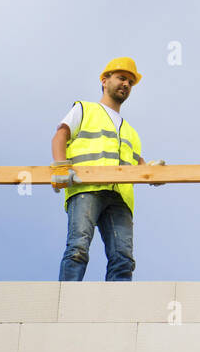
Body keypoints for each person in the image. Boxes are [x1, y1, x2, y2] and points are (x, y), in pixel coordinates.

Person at [49, 57, 160, 281]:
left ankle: (117, 308)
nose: (126, 84)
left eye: (130, 81)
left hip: (119, 197)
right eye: (121, 78)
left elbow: (137, 162)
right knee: (78, 248)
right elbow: (61, 135)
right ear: (104, 80)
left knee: (123, 258)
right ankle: (66, 303)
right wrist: (61, 166)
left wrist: (152, 172)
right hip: (86, 188)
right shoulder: (85, 109)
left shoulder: (130, 131)